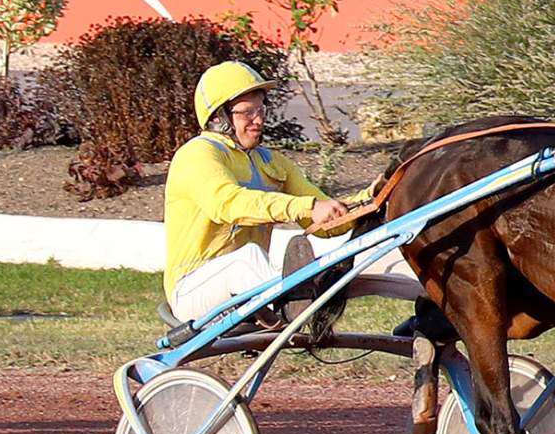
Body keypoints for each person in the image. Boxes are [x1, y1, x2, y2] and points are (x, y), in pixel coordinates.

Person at [164, 60, 421, 324]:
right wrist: (307, 207)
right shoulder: (197, 154)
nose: (259, 119)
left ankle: (438, 307)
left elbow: (325, 223)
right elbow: (229, 204)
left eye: (261, 108)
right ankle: (296, 307)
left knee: (373, 260)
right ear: (219, 118)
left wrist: (375, 196)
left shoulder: (272, 162)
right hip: (192, 291)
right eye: (246, 112)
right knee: (247, 258)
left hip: (253, 284)